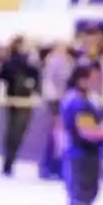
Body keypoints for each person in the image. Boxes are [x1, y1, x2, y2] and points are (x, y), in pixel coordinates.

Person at [59, 63, 103, 205]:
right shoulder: (79, 103)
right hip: (82, 159)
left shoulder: (78, 99)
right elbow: (87, 131)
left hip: (80, 157)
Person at [0, 37, 39, 176]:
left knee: (12, 133)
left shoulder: (9, 62)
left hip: (14, 101)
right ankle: (9, 162)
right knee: (15, 133)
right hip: (21, 102)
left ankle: (8, 162)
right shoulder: (27, 63)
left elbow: (1, 79)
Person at [38, 44, 73, 180]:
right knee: (57, 137)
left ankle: (51, 167)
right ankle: (50, 167)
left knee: (57, 138)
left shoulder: (56, 61)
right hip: (56, 101)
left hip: (56, 100)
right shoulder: (57, 61)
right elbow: (59, 81)